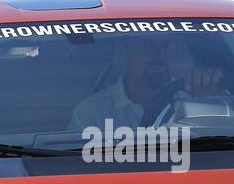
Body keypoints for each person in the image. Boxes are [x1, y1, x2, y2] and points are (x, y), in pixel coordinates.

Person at [68, 34, 222, 131]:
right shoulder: (92, 113)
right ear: (124, 49)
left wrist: (205, 106)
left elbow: (222, 154)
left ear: (173, 49)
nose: (158, 54)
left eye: (165, 45)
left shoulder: (201, 97)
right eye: (146, 45)